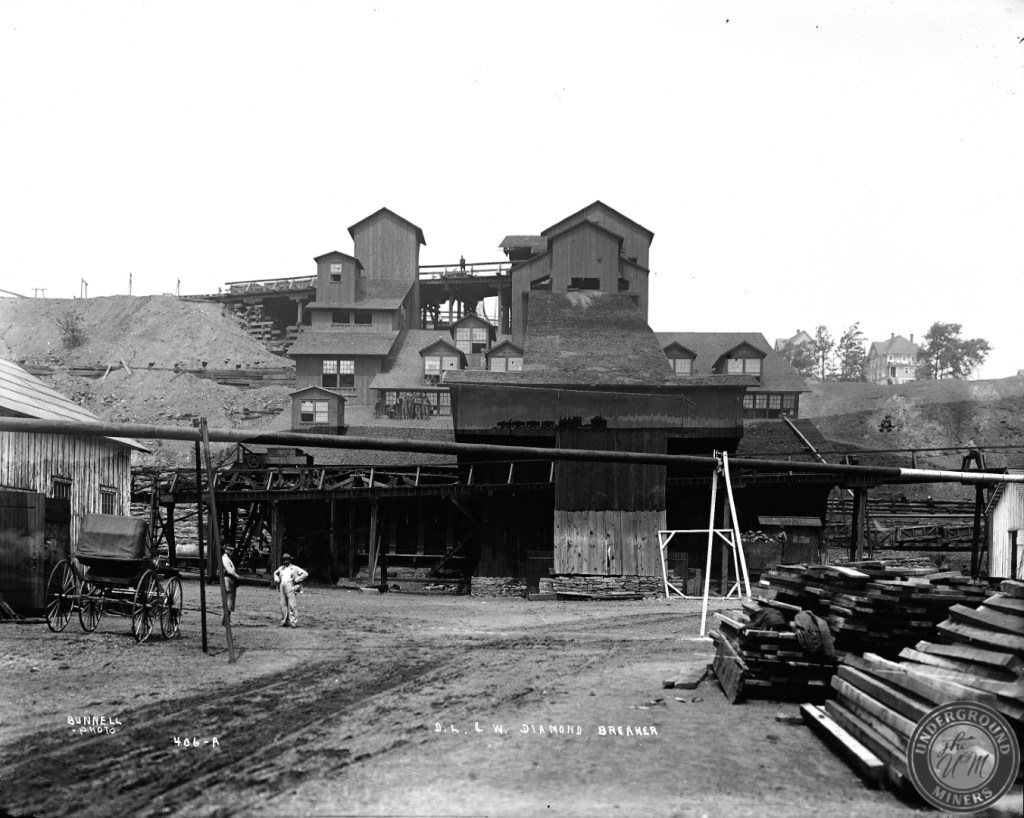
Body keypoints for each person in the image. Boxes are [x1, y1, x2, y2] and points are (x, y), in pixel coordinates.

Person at [273, 553, 309, 628]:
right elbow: (275, 573)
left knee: (292, 604)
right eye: (284, 560)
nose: (285, 562)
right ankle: (284, 621)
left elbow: (305, 574)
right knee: (283, 604)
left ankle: (293, 622)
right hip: (282, 585)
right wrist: (276, 579)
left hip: (290, 585)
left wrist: (296, 580)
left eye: (287, 560)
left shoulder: (295, 568)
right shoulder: (281, 568)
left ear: (289, 560)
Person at [221, 545, 242, 622]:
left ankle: (227, 619)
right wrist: (238, 577)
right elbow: (230, 571)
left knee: (230, 599)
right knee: (229, 599)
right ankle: (226, 619)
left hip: (230, 579)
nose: (232, 552)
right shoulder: (225, 559)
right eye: (230, 550)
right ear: (226, 550)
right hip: (228, 578)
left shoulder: (228, 559)